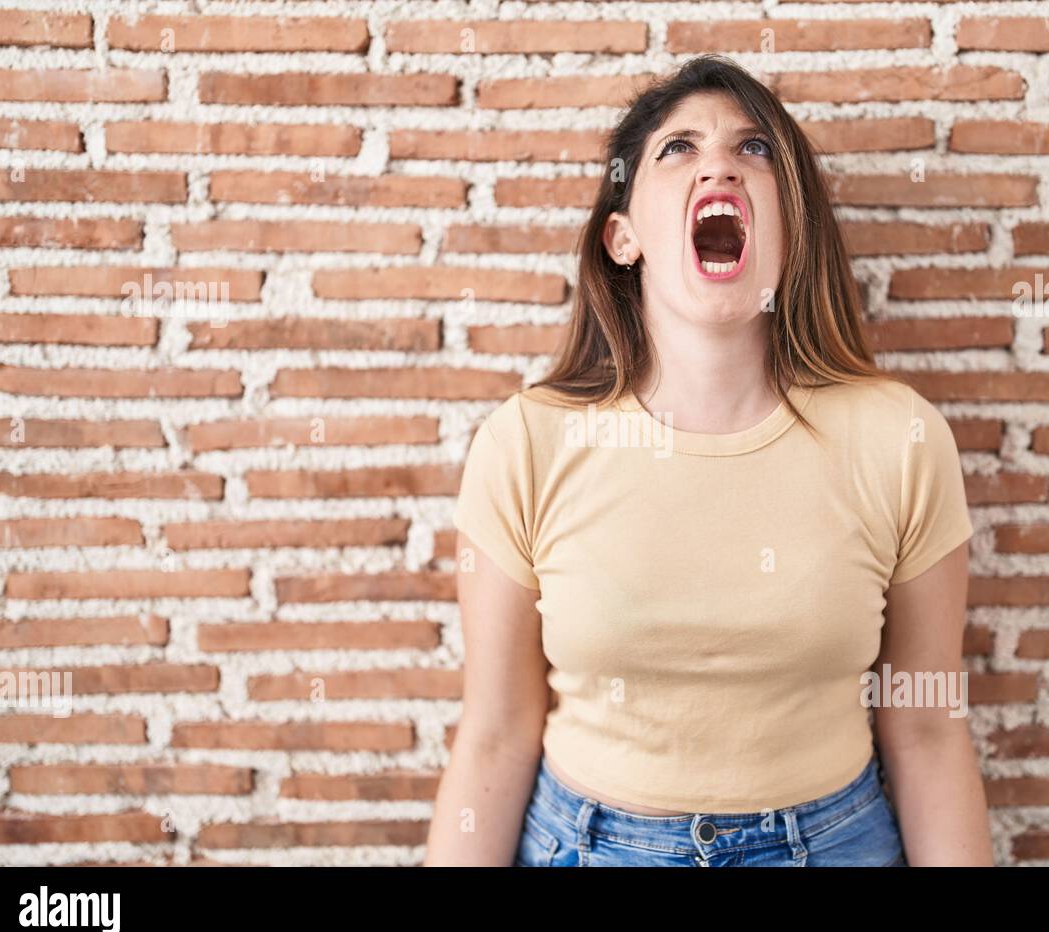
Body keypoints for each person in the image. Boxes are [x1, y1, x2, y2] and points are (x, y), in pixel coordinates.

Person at [423, 54, 993, 867]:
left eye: (754, 149)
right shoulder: (526, 443)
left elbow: (929, 731)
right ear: (623, 238)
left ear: (789, 231)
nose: (719, 162)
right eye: (677, 149)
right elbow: (494, 734)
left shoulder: (898, 439)